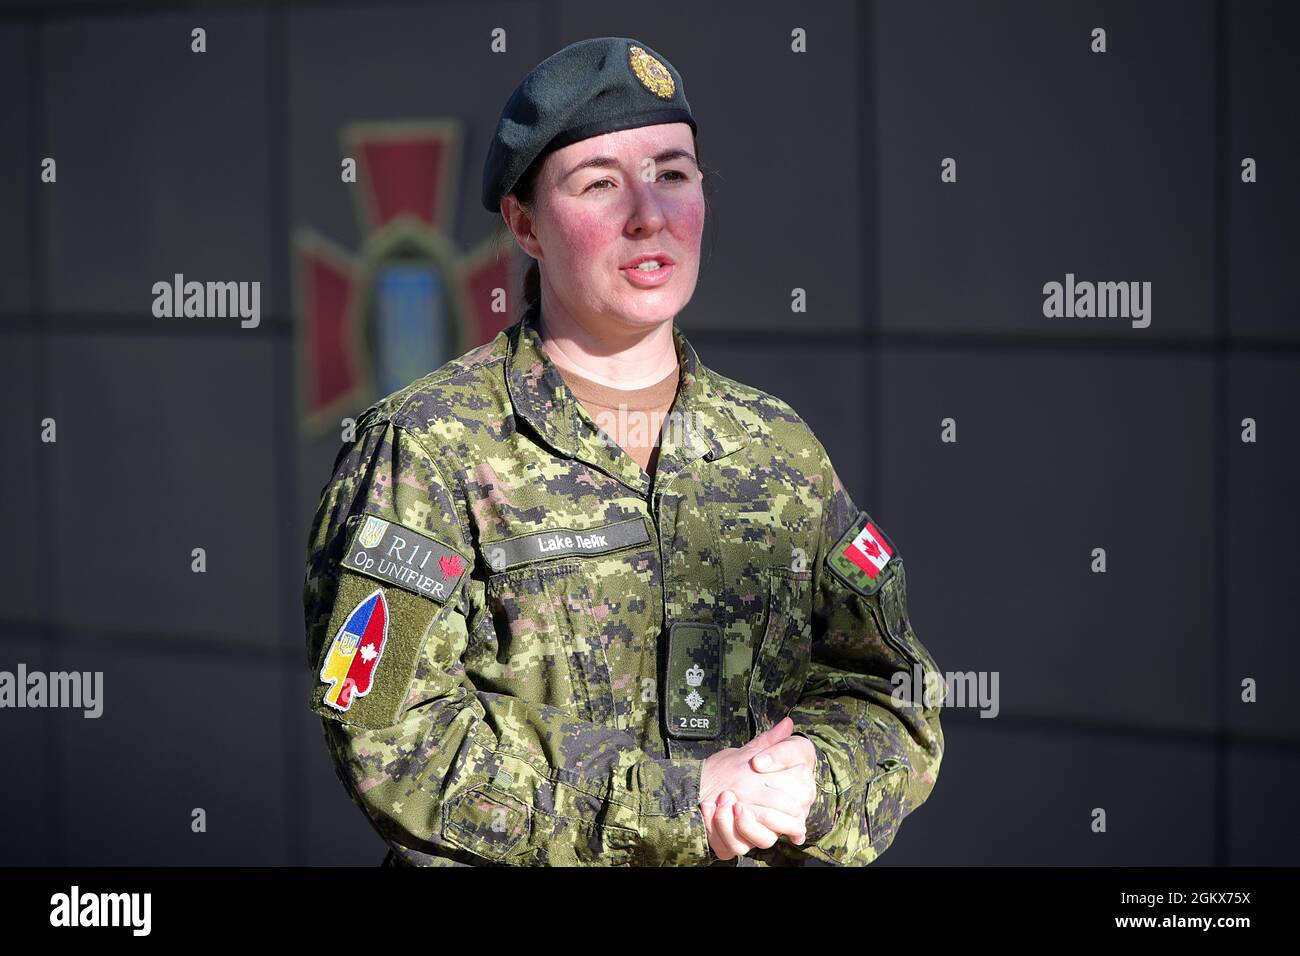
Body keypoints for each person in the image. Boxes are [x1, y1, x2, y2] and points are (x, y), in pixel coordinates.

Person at [302, 36, 945, 867]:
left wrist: (812, 776)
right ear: (526, 225)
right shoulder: (425, 451)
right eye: (600, 183)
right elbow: (388, 736)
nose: (649, 213)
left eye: (673, 174)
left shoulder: (776, 449)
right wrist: (684, 803)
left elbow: (892, 688)